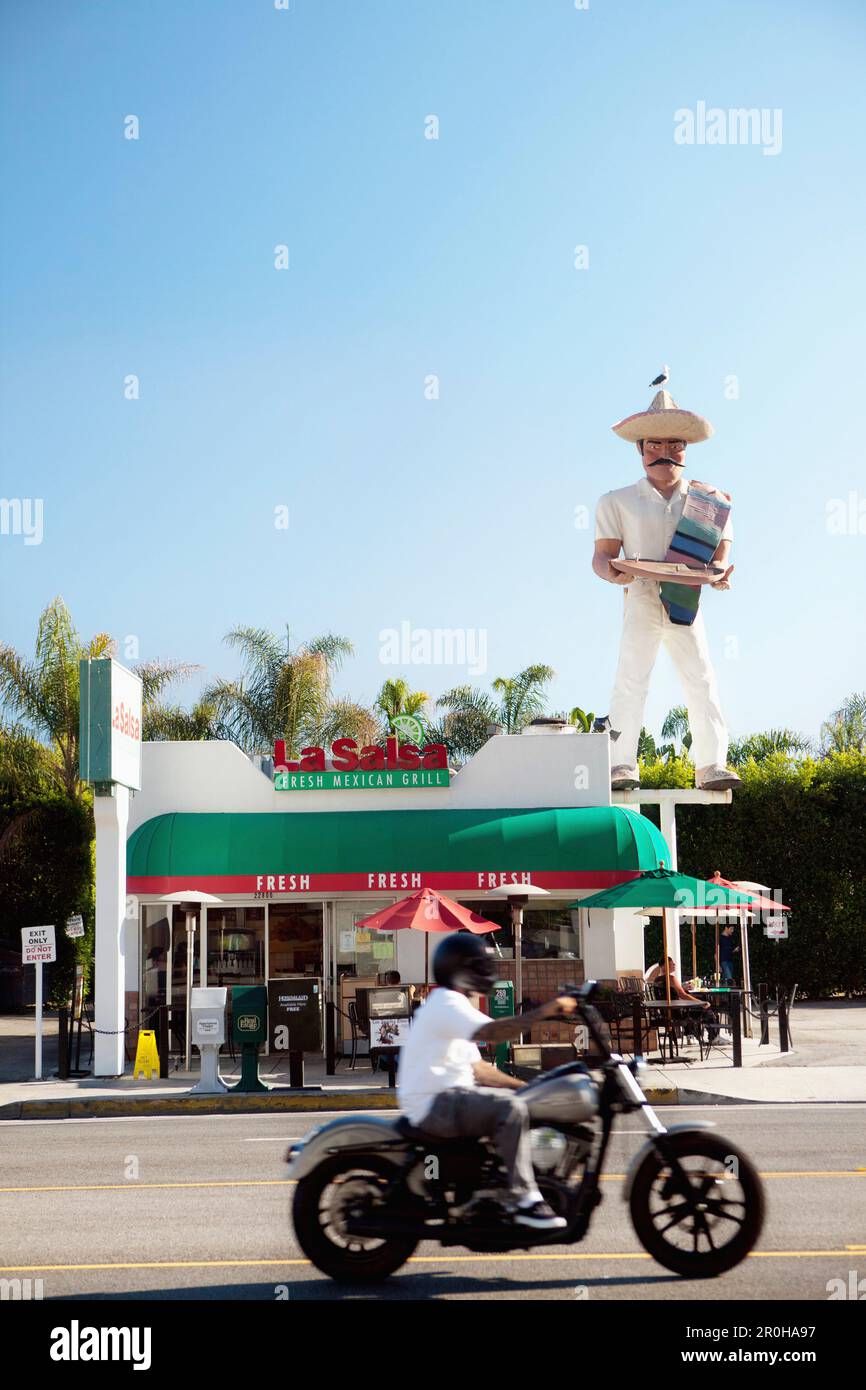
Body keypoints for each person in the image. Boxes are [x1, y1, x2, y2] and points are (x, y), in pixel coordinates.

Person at [592, 381, 742, 793]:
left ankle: (711, 764)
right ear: (640, 449)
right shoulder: (615, 502)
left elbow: (720, 549)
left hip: (685, 599)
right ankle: (620, 765)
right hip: (640, 595)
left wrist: (721, 570)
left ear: (686, 449)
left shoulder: (710, 500)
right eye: (654, 445)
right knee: (631, 677)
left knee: (701, 677)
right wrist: (613, 573)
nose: (664, 454)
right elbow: (602, 556)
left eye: (674, 445)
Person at [398, 932, 576, 1231]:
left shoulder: (450, 1006)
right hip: (437, 1104)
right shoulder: (447, 1002)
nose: (487, 972)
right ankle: (525, 1198)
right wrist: (546, 1011)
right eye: (480, 966)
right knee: (509, 1110)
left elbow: (479, 1070)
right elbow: (494, 1033)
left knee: (517, 1103)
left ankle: (495, 1192)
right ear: (463, 970)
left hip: (447, 1100)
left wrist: (529, 1089)